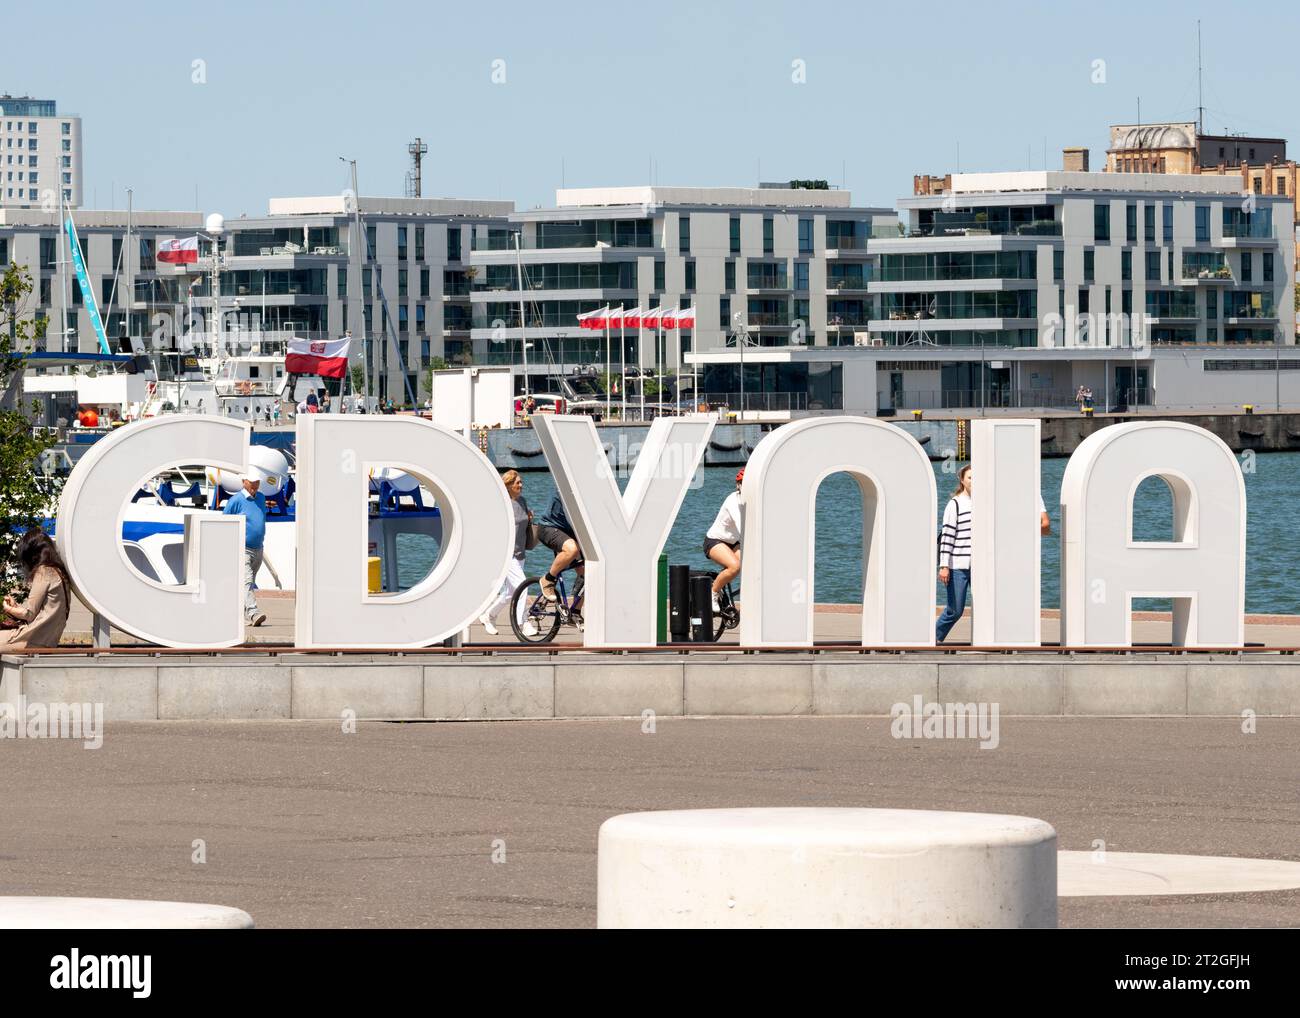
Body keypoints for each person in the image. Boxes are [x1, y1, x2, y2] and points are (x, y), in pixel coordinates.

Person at [478, 470, 538, 638]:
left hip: (520, 553)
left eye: (521, 482)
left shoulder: (523, 501)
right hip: (507, 554)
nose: (521, 485)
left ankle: (488, 615)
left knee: (511, 592)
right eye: (517, 483)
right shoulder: (502, 504)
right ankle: (522, 623)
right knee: (523, 586)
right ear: (508, 485)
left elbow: (524, 523)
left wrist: (530, 517)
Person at [0, 529, 71, 650]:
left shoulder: (44, 571)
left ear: (31, 554)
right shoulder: (58, 571)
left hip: (34, 639)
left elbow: (29, 614)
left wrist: (8, 609)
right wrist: (16, 607)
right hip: (48, 639)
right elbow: (40, 610)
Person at [223, 472, 269, 627]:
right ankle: (253, 613)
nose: (255, 486)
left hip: (258, 548)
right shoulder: (235, 501)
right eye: (252, 482)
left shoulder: (261, 498)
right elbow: (224, 522)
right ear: (244, 481)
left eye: (257, 482)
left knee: (245, 584)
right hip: (242, 549)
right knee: (247, 582)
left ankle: (232, 614)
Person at [935, 465, 973, 644]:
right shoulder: (955, 504)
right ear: (962, 480)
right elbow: (947, 536)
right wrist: (944, 566)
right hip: (958, 566)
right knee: (955, 610)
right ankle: (933, 638)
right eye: (970, 478)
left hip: (980, 566)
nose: (974, 482)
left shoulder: (986, 502)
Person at [704, 467, 745, 611]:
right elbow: (742, 528)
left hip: (734, 542)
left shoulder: (751, 501)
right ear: (738, 485)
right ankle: (713, 592)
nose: (744, 487)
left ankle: (723, 585)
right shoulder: (733, 501)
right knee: (735, 567)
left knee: (751, 567)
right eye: (742, 484)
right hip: (715, 541)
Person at [535, 491, 582, 603]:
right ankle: (548, 579)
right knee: (572, 549)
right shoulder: (568, 485)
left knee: (589, 573)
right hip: (548, 527)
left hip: (569, 532)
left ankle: (575, 612)